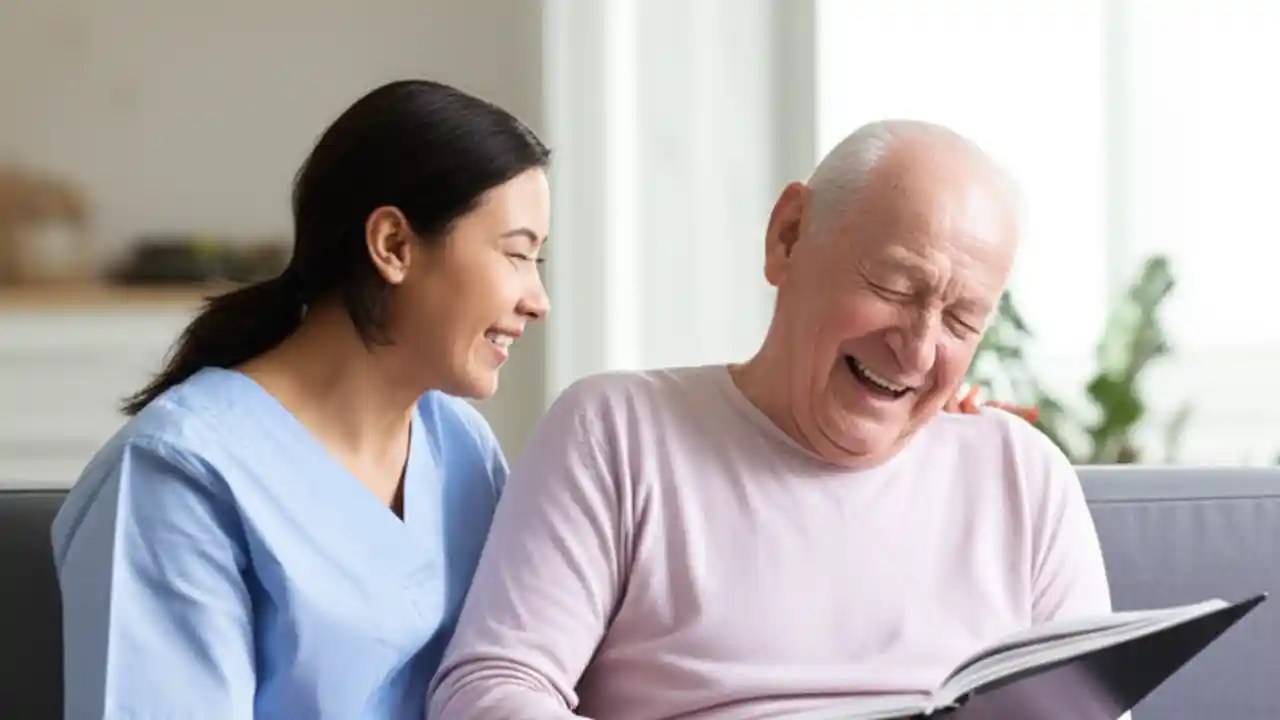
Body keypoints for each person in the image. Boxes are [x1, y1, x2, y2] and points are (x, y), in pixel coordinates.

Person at [428, 120, 1114, 719]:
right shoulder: (617, 431)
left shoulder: (1022, 476)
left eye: (963, 319)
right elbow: (490, 689)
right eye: (895, 287)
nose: (919, 349)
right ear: (788, 237)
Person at [51, 79, 551, 719]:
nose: (537, 300)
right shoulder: (174, 474)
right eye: (516, 254)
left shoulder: (461, 446)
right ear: (393, 245)